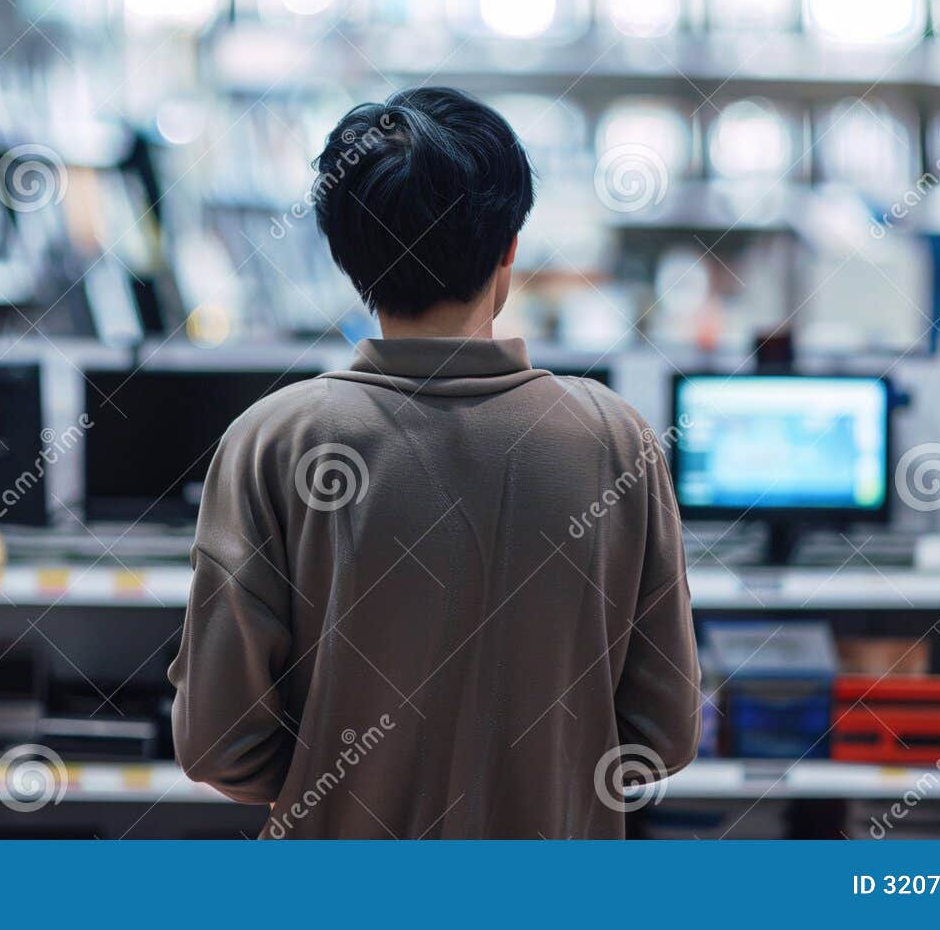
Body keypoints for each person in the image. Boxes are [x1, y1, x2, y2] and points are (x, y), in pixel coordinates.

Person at [169, 86, 699, 838]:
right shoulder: (615, 440)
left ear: (346, 252)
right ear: (509, 248)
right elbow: (664, 732)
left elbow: (218, 743)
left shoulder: (270, 441)